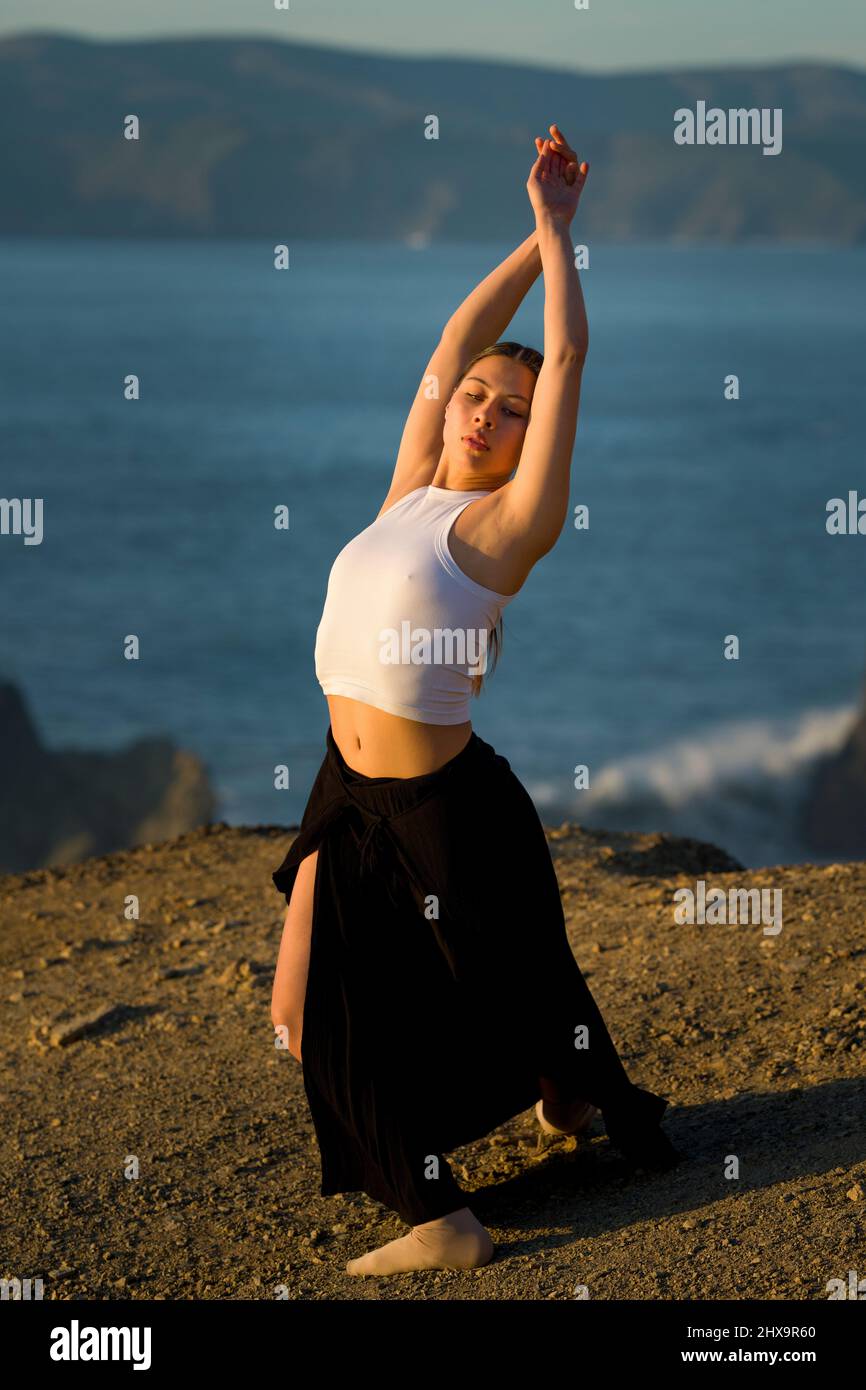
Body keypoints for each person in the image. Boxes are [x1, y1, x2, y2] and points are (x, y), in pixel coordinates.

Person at [271, 124, 680, 1278]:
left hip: (445, 809)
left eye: (509, 408)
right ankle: (555, 1105)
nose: (483, 413)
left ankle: (446, 1219)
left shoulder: (503, 531)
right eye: (477, 399)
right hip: (350, 795)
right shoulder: (405, 490)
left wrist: (561, 250)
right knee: (318, 1014)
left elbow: (567, 364)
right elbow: (454, 336)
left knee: (501, 986)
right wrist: (532, 223)